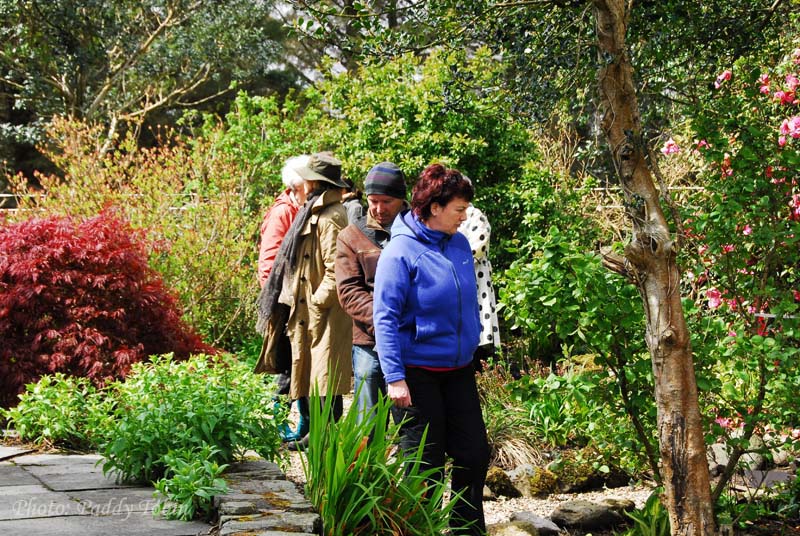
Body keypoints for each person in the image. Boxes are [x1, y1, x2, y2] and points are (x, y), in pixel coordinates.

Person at [373, 163, 489, 535]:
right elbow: (385, 318)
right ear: (434, 207)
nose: (465, 216)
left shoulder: (457, 243)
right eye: (459, 209)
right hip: (416, 376)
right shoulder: (399, 252)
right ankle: (419, 530)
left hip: (458, 371)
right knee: (425, 465)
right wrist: (394, 377)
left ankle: (465, 530)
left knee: (473, 455)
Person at [258, 151, 353, 451]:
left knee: (326, 376)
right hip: (308, 309)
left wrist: (316, 303)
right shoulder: (315, 210)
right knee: (310, 372)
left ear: (315, 182)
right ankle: (315, 434)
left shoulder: (331, 216)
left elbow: (335, 271)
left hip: (321, 311)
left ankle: (325, 437)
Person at [335, 161, 407, 425]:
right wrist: (384, 324)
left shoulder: (419, 231)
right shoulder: (352, 236)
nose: (378, 209)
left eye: (386, 201)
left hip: (413, 339)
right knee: (368, 420)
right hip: (369, 340)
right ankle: (368, 467)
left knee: (413, 423)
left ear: (401, 198)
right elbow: (349, 291)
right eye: (373, 200)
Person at [255, 155, 309, 441]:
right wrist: (280, 305)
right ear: (295, 186)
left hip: (295, 300)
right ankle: (279, 426)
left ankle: (296, 425)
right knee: (287, 364)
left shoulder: (298, 207)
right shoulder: (283, 212)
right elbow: (269, 264)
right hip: (284, 303)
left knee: (296, 364)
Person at [458, 201, 501, 370]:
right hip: (457, 282)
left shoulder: (476, 215)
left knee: (478, 334)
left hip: (475, 279)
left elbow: (478, 247)